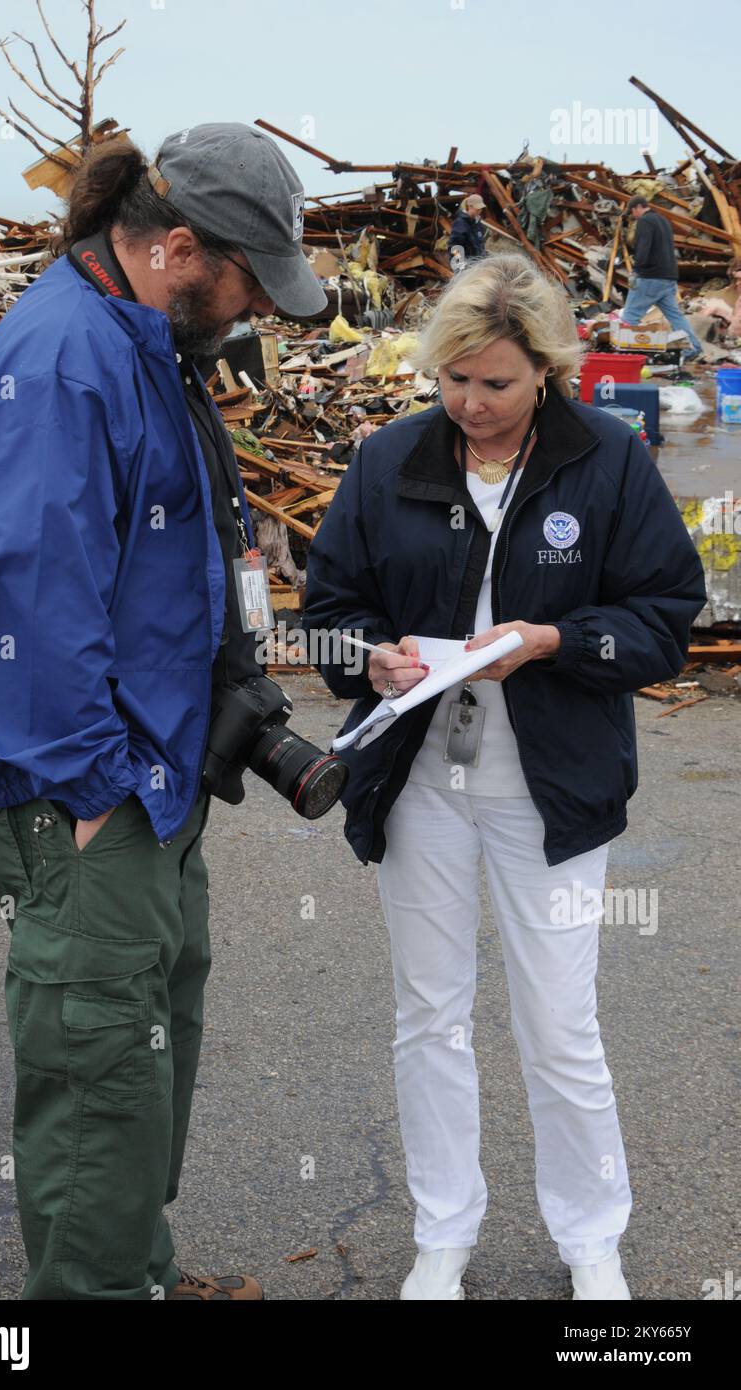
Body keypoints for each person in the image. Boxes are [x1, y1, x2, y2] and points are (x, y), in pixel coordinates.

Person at [0, 123, 326, 1301]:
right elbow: (33, 601)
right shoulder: (64, 359)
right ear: (174, 246)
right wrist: (92, 796)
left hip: (151, 776)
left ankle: (139, 1276)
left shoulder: (143, 336)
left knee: (148, 1064)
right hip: (87, 788)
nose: (251, 311)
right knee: (97, 1089)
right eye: (247, 283)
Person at [302, 253, 705, 1301]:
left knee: (558, 1023)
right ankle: (444, 1232)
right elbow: (327, 614)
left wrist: (555, 639)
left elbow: (664, 618)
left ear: (546, 372)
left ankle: (589, 1237)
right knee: (426, 1011)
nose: (470, 405)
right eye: (453, 381)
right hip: (420, 780)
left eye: (496, 384)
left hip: (552, 790)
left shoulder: (608, 463)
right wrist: (370, 654)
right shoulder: (386, 457)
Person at [620, 195, 703, 360]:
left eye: (632, 212)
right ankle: (693, 348)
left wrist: (636, 270)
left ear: (637, 207)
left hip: (650, 276)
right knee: (675, 316)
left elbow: (643, 248)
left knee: (630, 316)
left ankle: (629, 355)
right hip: (669, 276)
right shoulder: (663, 220)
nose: (633, 216)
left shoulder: (644, 221)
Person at [448, 194, 488, 269]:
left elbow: (479, 244)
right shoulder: (460, 223)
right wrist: (460, 264)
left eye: (481, 209)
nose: (480, 211)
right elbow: (454, 245)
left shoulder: (477, 223)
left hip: (477, 264)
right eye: (478, 209)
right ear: (470, 207)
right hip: (465, 265)